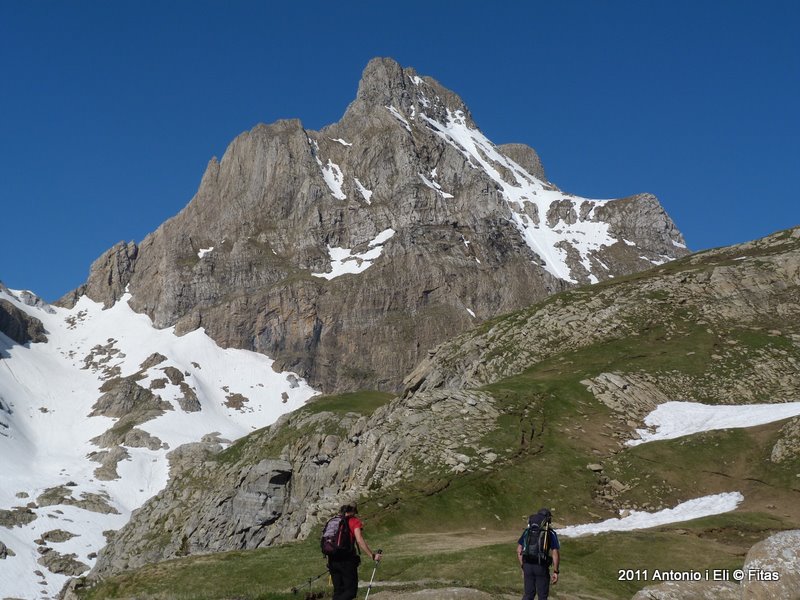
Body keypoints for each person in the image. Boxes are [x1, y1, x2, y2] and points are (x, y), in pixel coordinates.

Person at [327, 504, 382, 600]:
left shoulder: (333, 521)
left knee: (338, 591)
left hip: (332, 560)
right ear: (352, 512)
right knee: (350, 592)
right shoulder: (354, 521)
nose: (355, 515)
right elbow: (359, 540)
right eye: (355, 512)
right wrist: (372, 555)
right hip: (346, 561)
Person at [517, 508, 560, 600]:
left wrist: (523, 566)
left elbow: (519, 549)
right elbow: (555, 552)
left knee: (528, 595)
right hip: (541, 566)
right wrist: (556, 571)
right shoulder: (550, 533)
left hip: (527, 565)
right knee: (542, 596)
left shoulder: (527, 531)